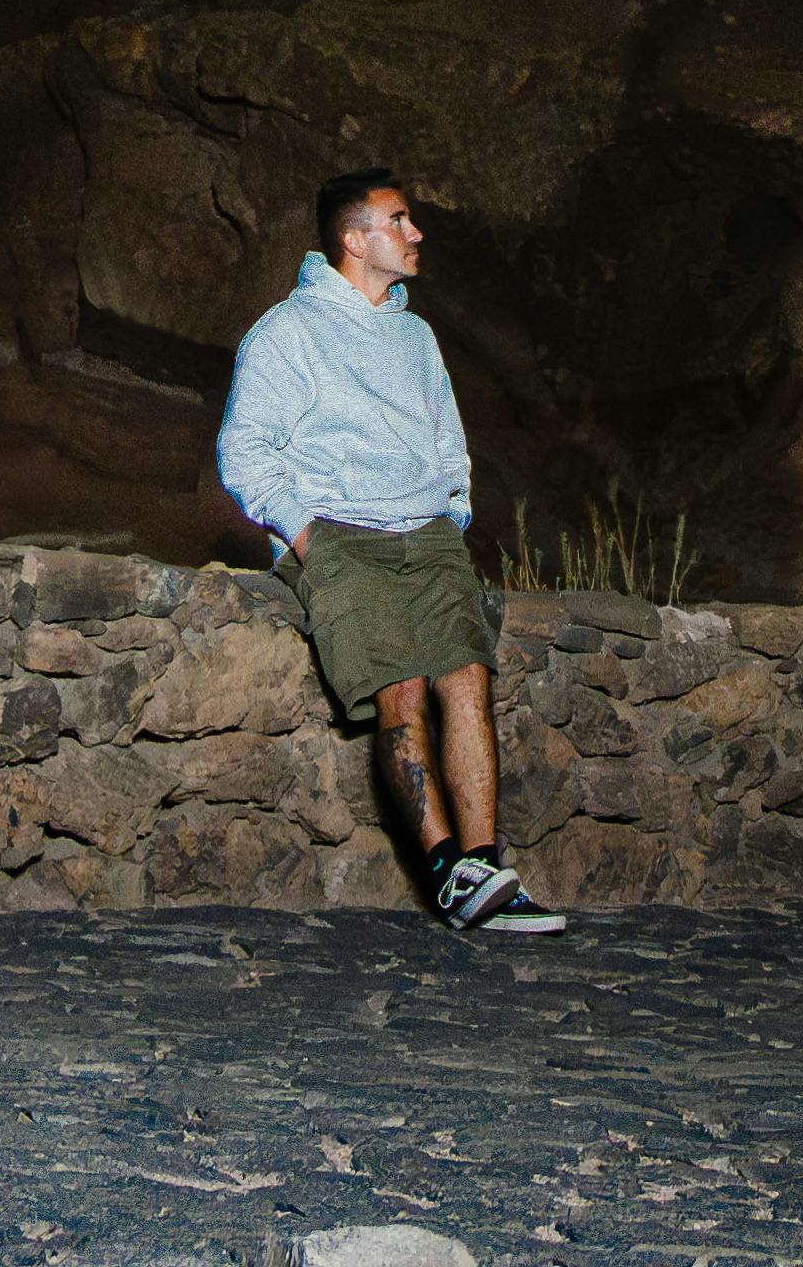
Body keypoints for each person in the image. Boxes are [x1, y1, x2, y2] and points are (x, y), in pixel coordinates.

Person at [215, 167, 564, 935]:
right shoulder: (287, 333)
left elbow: (448, 439)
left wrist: (453, 511)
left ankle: (485, 865)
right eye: (399, 221)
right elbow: (244, 451)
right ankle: (447, 871)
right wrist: (307, 537)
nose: (415, 234)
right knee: (399, 691)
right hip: (341, 537)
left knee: (466, 682)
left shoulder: (414, 335)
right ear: (354, 239)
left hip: (428, 535)